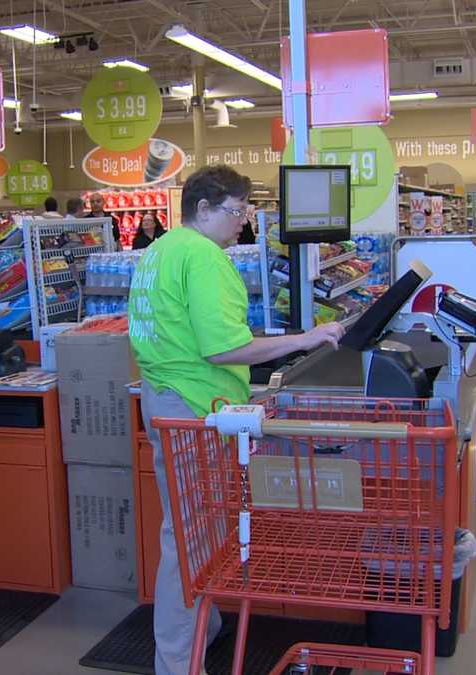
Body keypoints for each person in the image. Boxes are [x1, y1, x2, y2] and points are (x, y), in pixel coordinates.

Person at [127, 166, 345, 675]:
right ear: (203, 209)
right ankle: (179, 663)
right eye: (236, 211)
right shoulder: (204, 257)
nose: (242, 223)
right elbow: (225, 347)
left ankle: (206, 625)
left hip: (167, 397)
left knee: (189, 530)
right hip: (195, 408)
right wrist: (303, 339)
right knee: (191, 537)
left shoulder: (161, 249)